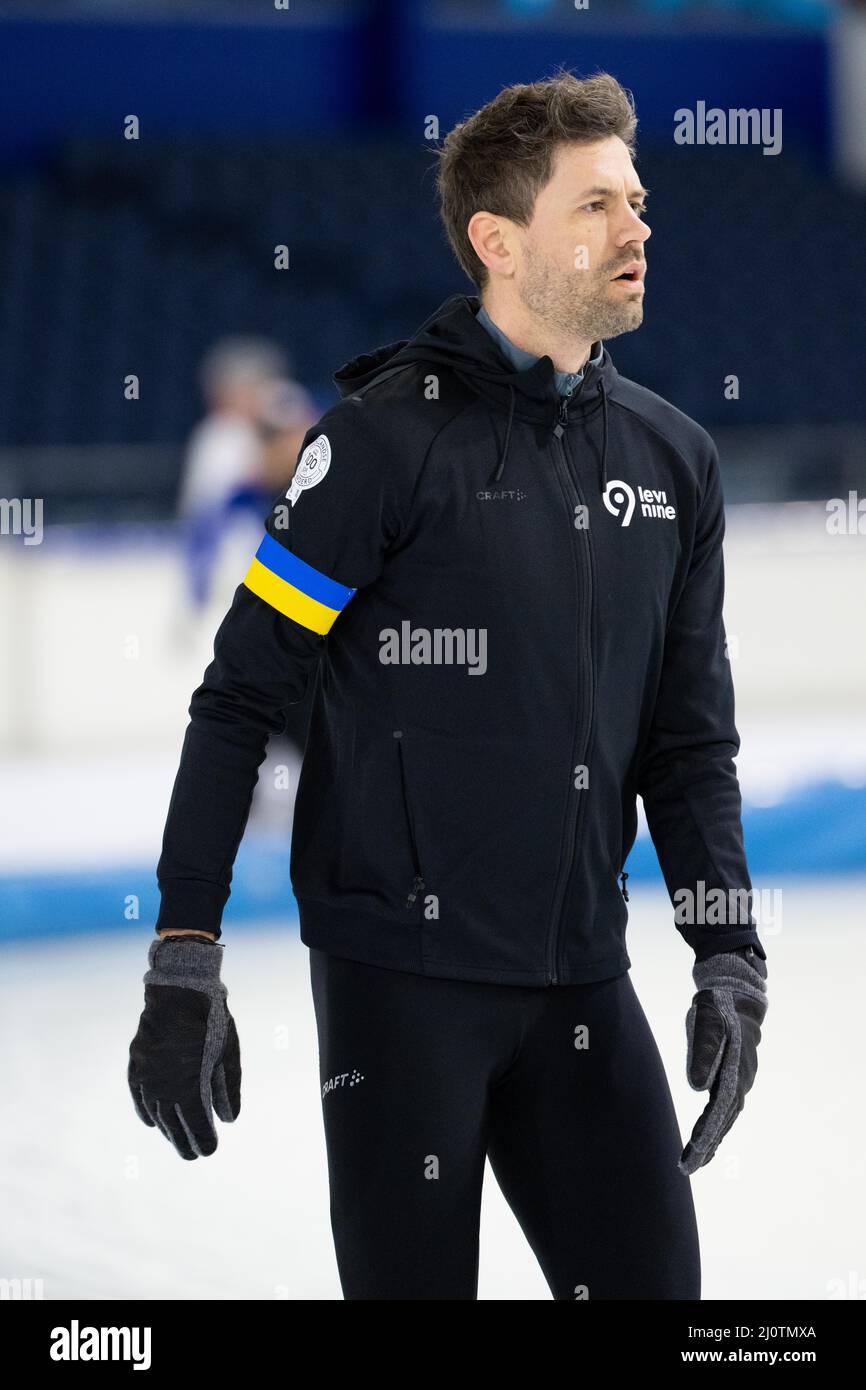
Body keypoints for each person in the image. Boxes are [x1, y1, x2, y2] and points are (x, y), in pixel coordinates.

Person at [128, 71, 768, 1301]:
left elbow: (687, 743)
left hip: (583, 973)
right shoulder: (375, 445)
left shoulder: (673, 462)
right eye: (595, 205)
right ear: (497, 238)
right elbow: (238, 700)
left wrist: (726, 947)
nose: (638, 228)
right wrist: (183, 951)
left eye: (637, 200)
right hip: (397, 998)